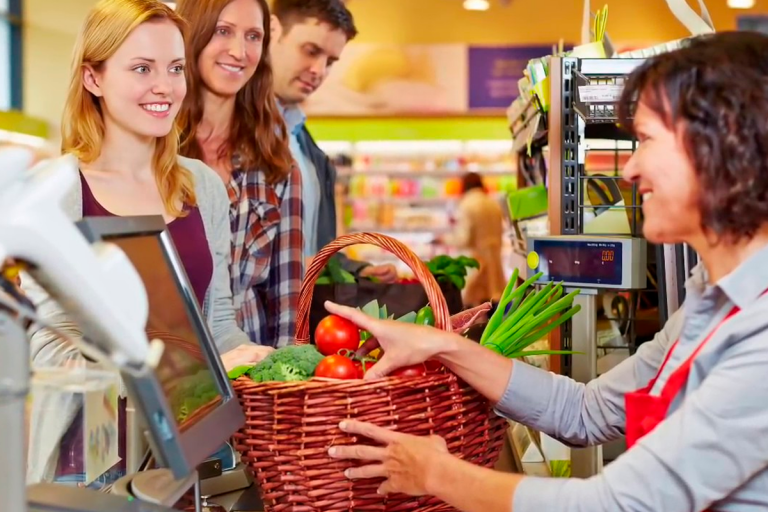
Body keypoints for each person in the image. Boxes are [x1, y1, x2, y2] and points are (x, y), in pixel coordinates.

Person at [323, 31, 768, 511]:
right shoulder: (709, 299)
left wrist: (437, 472)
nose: (629, 170)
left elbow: (617, 506)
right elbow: (586, 411)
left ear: (723, 143)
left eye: (645, 140)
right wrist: (447, 345)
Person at [22, 0, 270, 485]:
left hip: (192, 449)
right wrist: (199, 369)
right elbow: (51, 349)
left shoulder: (202, 187)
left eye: (175, 68)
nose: (165, 86)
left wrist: (267, 365)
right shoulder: (58, 191)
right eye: (142, 68)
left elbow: (218, 323)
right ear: (94, 79)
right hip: (91, 462)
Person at [176, 0, 302, 348]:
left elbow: (287, 293)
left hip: (249, 360)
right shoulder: (155, 151)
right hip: (170, 358)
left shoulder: (276, 162)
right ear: (192, 35)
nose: (239, 51)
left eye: (253, 36)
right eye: (223, 31)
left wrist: (281, 380)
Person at [269, 0, 397, 283]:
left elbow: (315, 249)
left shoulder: (306, 147)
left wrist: (356, 269)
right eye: (311, 51)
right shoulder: (234, 131)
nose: (319, 70)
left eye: (330, 61)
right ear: (272, 33)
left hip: (301, 316)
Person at [446, 172, 506, 305]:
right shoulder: (492, 203)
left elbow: (463, 239)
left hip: (476, 263)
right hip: (495, 262)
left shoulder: (466, 205)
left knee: (475, 306)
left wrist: (444, 239)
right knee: (493, 302)